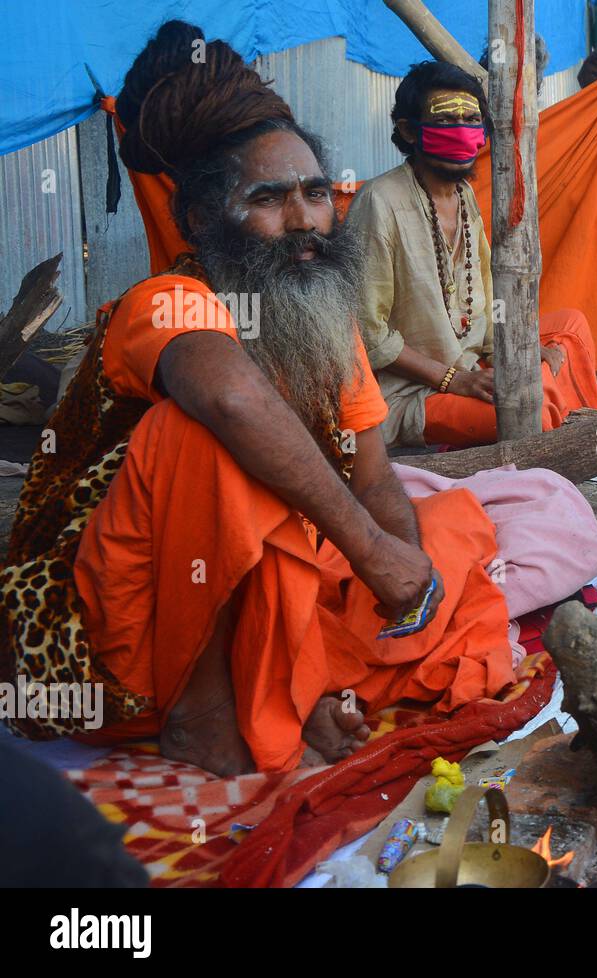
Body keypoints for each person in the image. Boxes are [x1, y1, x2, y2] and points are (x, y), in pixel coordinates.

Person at [0, 22, 518, 776]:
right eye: (269, 199)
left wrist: (401, 583)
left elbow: (371, 474)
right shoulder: (165, 300)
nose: (305, 220)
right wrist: (372, 555)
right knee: (204, 432)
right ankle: (205, 721)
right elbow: (236, 401)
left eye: (315, 192)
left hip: (261, 586)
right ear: (206, 219)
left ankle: (302, 680)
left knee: (459, 529)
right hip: (112, 641)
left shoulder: (318, 310)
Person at [348, 61, 597, 448]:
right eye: (447, 121)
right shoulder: (379, 202)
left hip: (473, 365)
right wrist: (457, 380)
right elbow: (370, 336)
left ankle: (557, 411)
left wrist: (521, 349)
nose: (464, 133)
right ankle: (559, 423)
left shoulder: (464, 196)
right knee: (527, 406)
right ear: (407, 131)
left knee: (571, 328)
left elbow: (486, 299)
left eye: (471, 120)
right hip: (414, 393)